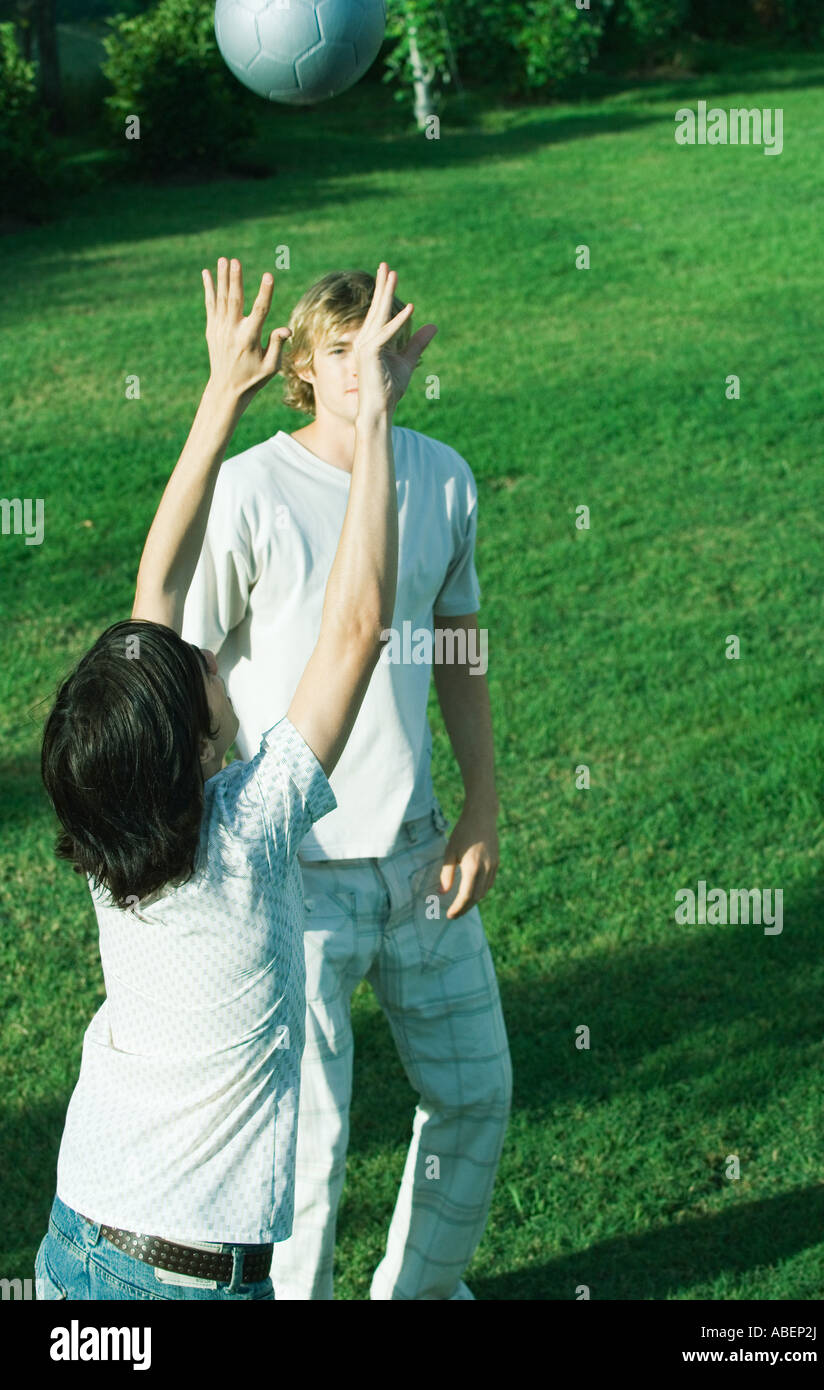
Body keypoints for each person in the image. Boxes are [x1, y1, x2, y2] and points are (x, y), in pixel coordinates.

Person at [34, 258, 433, 1300]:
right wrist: (379, 420)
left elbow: (157, 582)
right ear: (198, 743)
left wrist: (221, 394)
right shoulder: (250, 828)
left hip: (79, 1242)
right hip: (184, 1282)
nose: (206, 657)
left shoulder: (115, 828)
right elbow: (356, 627)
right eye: (200, 670)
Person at [182, 267, 512, 1300]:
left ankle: (415, 1292)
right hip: (292, 869)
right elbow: (187, 661)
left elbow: (459, 650)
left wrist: (481, 803)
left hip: (419, 856)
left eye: (385, 344)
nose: (367, 366)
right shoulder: (252, 487)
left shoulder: (444, 477)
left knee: (477, 1094)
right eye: (340, 351)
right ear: (304, 369)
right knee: (308, 1157)